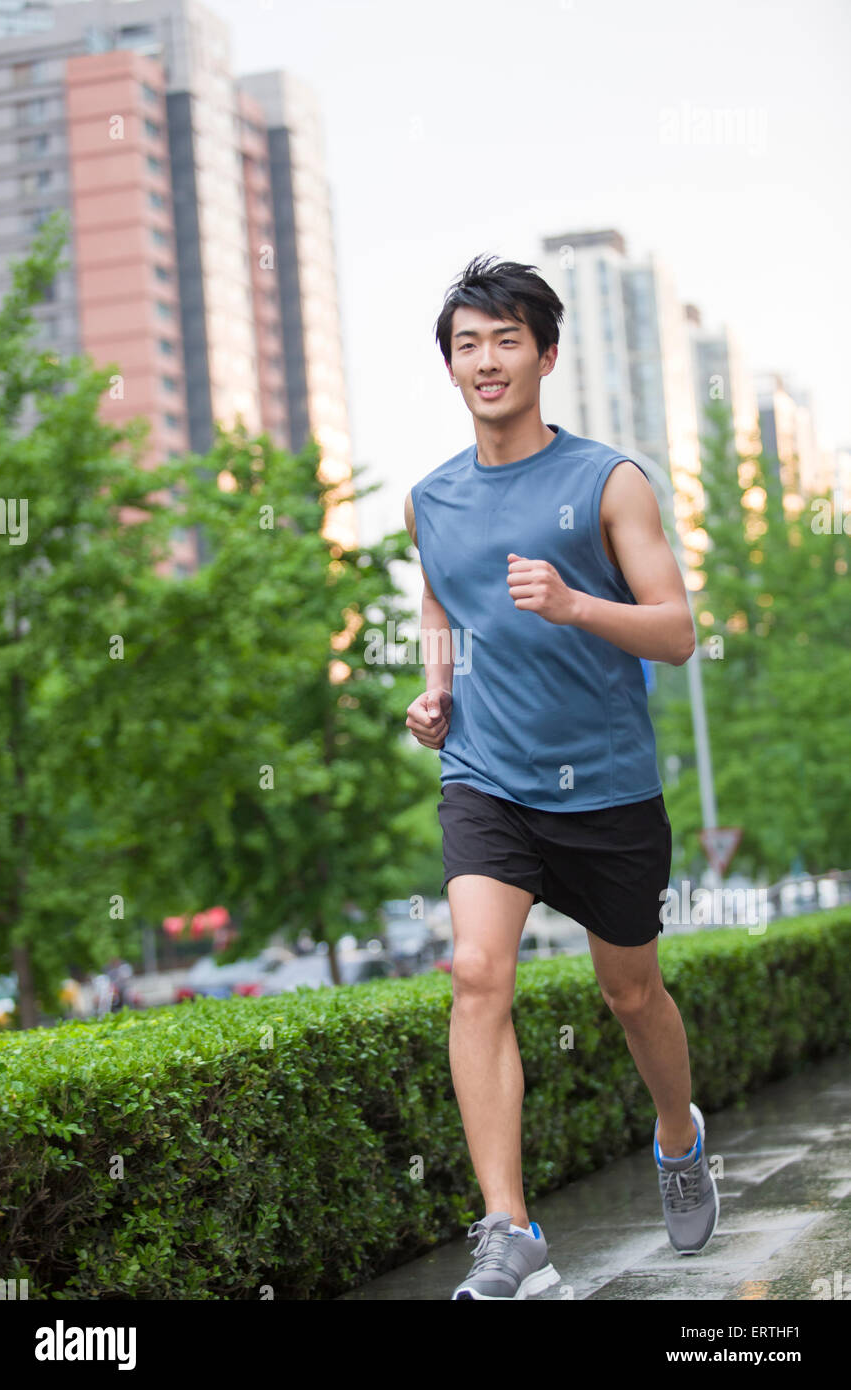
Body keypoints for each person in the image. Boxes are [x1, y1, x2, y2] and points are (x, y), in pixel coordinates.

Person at [404, 254, 718, 1301]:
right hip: (486, 777)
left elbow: (676, 631)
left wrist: (576, 604)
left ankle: (675, 1134)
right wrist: (434, 690)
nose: (485, 360)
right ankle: (510, 1230)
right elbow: (443, 607)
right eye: (466, 344)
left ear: (543, 352)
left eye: (504, 340)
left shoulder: (606, 480)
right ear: (448, 365)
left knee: (628, 992)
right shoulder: (430, 499)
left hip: (607, 786)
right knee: (476, 972)